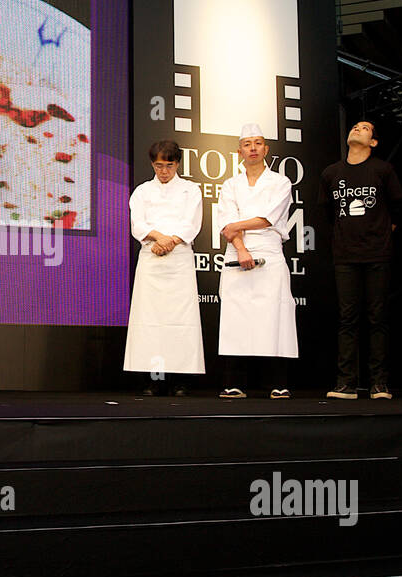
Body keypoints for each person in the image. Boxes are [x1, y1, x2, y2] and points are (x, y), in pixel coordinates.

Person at [319, 120, 402, 400]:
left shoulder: (382, 169)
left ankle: (379, 382)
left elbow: (399, 206)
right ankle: (346, 382)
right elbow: (326, 214)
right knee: (347, 318)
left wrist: (382, 233)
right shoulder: (331, 173)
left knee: (377, 317)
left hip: (377, 253)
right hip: (345, 255)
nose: (357, 129)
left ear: (374, 142)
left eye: (365, 128)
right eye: (355, 126)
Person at [217, 124, 297, 399]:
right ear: (239, 151)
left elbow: (267, 218)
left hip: (269, 250)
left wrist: (236, 226)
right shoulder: (230, 185)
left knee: (273, 316)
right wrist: (240, 249)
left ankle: (278, 382)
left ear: (266, 149)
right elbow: (226, 226)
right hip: (237, 253)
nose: (252, 148)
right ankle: (233, 382)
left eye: (258, 143)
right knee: (235, 317)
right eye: (247, 144)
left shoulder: (280, 182)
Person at [125, 140, 205, 395]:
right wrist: (159, 238)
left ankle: (181, 379)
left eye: (169, 166)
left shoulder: (191, 190)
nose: (164, 171)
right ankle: (153, 379)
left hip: (179, 257)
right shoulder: (142, 191)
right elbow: (138, 224)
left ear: (177, 164)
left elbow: (192, 223)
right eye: (159, 166)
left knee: (180, 321)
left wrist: (171, 241)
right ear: (152, 164)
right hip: (151, 256)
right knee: (150, 320)